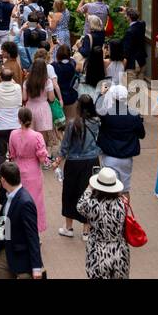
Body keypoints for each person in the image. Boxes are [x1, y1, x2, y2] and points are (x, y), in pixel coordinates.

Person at [55, 94, 100, 239]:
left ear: (78, 107)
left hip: (74, 162)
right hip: (92, 161)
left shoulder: (72, 123)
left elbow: (65, 146)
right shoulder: (97, 122)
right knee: (89, 194)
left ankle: (68, 227)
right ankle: (86, 230)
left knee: (70, 193)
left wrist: (57, 160)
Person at [0, 161, 43, 279]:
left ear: (3, 180)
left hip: (21, 259)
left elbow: (33, 235)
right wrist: (1, 236)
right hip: (5, 251)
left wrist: (36, 267)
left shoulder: (25, 203)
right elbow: (4, 216)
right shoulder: (8, 194)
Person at [77, 166, 130, 279]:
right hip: (119, 251)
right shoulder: (123, 203)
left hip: (98, 252)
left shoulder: (92, 205)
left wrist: (89, 188)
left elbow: (80, 206)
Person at [6, 107, 49, 232]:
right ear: (31, 119)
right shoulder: (37, 136)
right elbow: (42, 158)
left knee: (17, 201)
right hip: (33, 172)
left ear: (19, 120)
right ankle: (33, 231)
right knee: (34, 202)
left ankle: (18, 230)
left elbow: (12, 154)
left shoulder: (13, 134)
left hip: (18, 170)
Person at [97, 83, 145, 194]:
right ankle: (124, 211)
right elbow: (142, 134)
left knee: (108, 189)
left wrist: (101, 94)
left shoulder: (107, 114)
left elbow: (97, 109)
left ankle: (109, 210)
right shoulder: (134, 115)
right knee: (125, 190)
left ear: (113, 98)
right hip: (126, 157)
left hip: (109, 155)